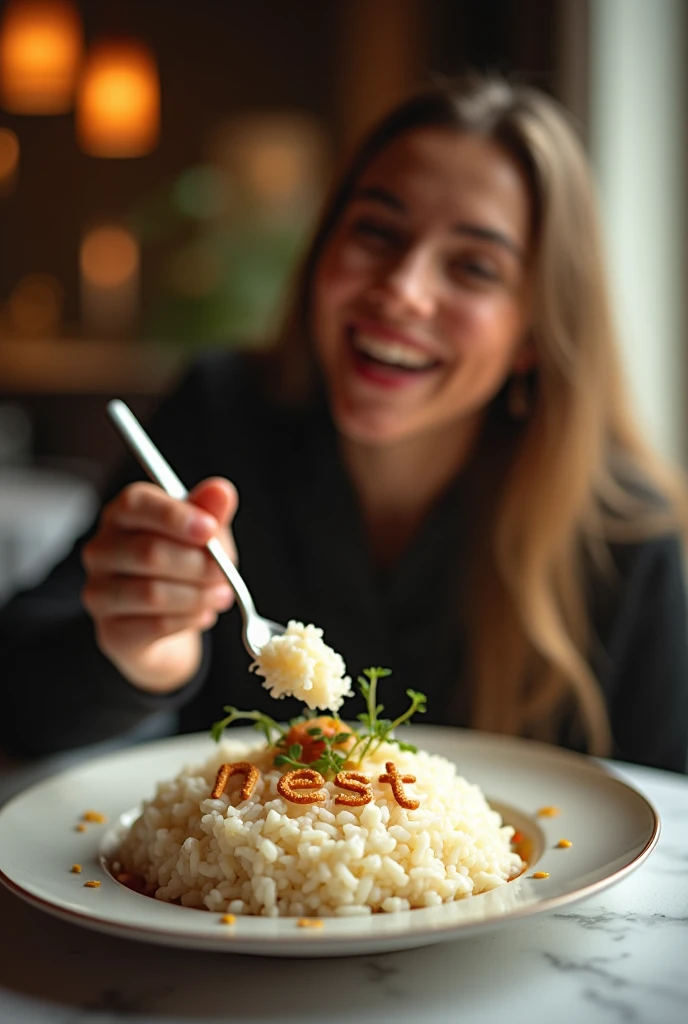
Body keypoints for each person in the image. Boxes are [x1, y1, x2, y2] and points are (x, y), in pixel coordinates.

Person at [1, 74, 687, 772]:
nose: (402, 289)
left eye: (475, 267)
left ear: (535, 332)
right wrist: (135, 653)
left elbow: (672, 836)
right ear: (322, 252)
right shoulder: (220, 412)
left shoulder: (627, 532)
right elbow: (17, 696)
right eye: (377, 231)